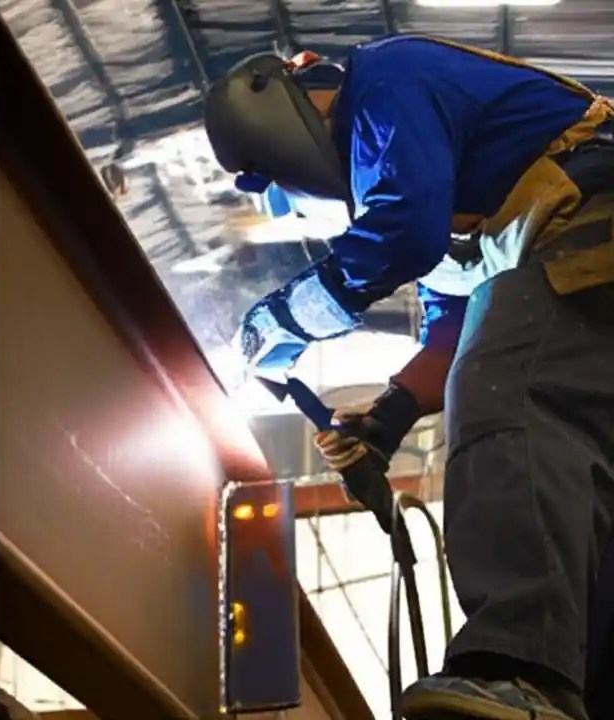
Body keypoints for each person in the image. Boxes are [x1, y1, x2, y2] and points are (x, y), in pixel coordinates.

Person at [205, 35, 614, 720]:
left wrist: (286, 318)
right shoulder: (457, 200)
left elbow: (404, 233)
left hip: (599, 220)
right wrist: (385, 418)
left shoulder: (385, 82)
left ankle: (516, 666)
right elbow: (449, 336)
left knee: (513, 384)